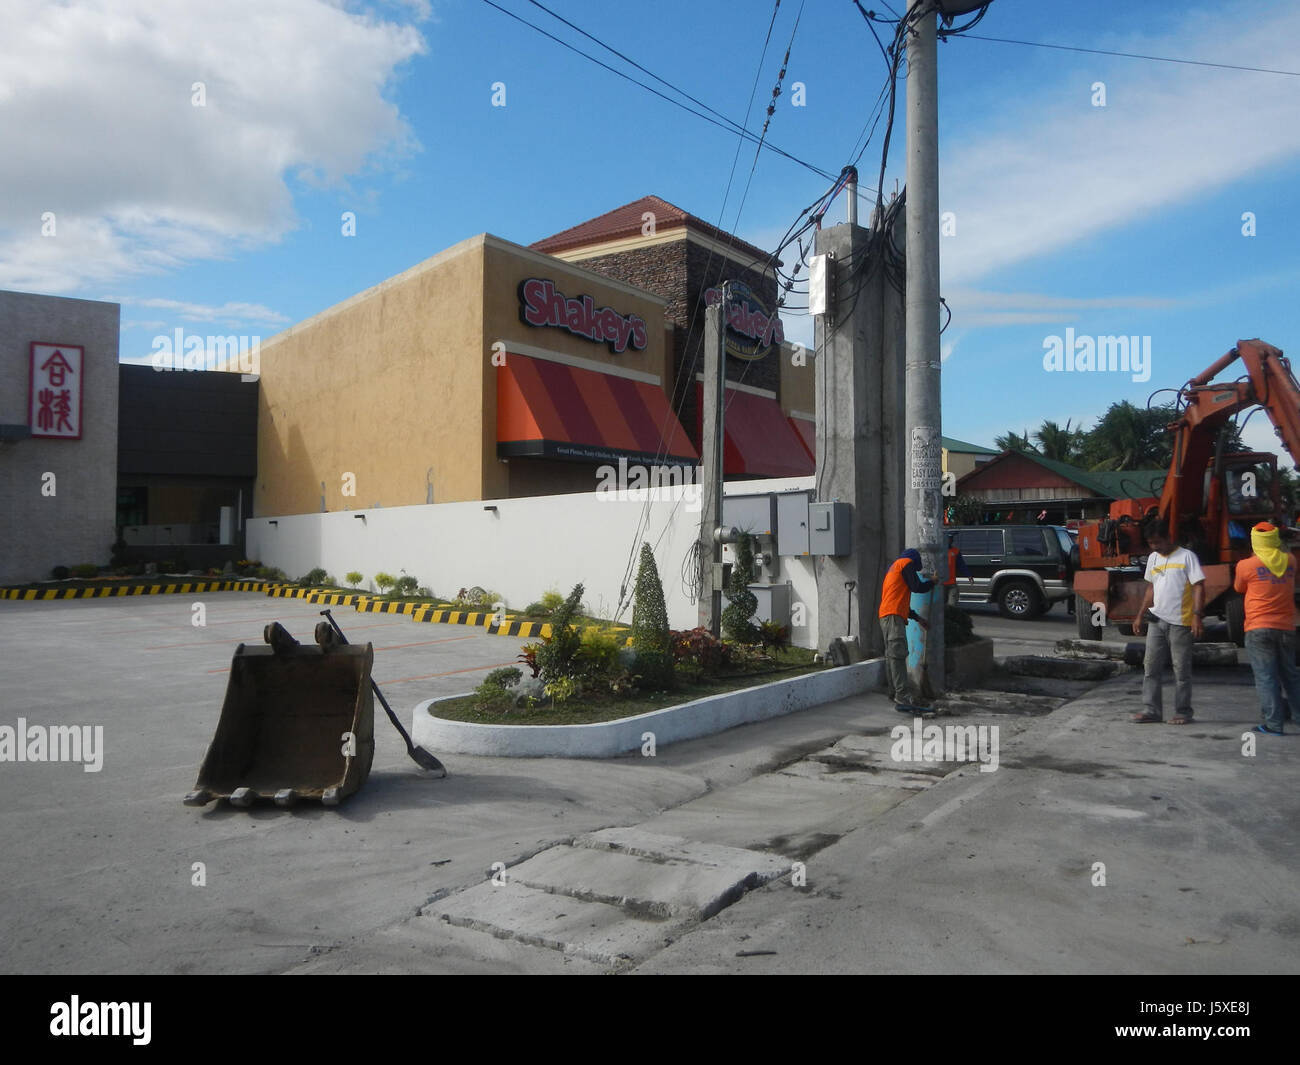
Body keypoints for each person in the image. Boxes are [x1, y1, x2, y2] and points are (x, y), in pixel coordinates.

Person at [1131, 519, 1205, 724]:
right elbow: (1150, 589)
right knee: (1150, 668)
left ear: (1168, 537)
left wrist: (1197, 615)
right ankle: (1151, 710)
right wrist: (1139, 615)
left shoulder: (1187, 557)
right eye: (1151, 543)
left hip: (1181, 622)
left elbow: (1199, 586)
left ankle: (1183, 712)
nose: (1155, 547)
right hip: (1156, 621)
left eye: (1157, 542)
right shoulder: (1153, 559)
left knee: (1181, 670)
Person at [1234, 522, 1300, 735]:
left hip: (1258, 627)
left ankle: (1274, 724)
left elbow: (1238, 588)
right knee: (1291, 675)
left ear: (1255, 541)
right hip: (1287, 627)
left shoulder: (1245, 565)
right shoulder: (1291, 560)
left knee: (1266, 677)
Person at [878, 548, 935, 713]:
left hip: (887, 616)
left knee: (891, 655)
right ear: (915, 560)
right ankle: (902, 696)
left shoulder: (895, 569)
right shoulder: (906, 563)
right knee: (897, 654)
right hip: (893, 617)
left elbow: (900, 602)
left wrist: (919, 619)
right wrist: (933, 582)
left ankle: (894, 692)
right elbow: (917, 586)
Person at [944, 533, 974, 609]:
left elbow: (962, 565)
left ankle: (950, 618)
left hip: (952, 584)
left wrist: (969, 576)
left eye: (950, 539)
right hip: (940, 585)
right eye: (947, 539)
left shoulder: (955, 551)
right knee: (941, 607)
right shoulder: (939, 551)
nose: (949, 541)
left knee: (952, 606)